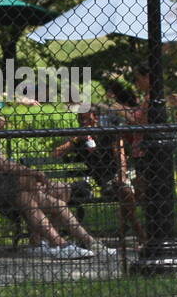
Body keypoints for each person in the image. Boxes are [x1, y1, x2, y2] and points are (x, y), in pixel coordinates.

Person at [0, 98, 109, 259]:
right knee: (29, 182)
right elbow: (5, 166)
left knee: (28, 196)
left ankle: (69, 243)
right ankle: (64, 243)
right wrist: (36, 174)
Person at [53, 91, 145, 244]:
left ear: (95, 118)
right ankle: (140, 234)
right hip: (106, 180)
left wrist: (122, 173)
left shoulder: (107, 132)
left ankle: (127, 232)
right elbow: (55, 153)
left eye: (87, 118)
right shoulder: (79, 138)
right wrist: (76, 140)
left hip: (122, 173)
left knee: (131, 189)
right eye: (81, 119)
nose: (84, 122)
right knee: (125, 191)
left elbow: (120, 154)